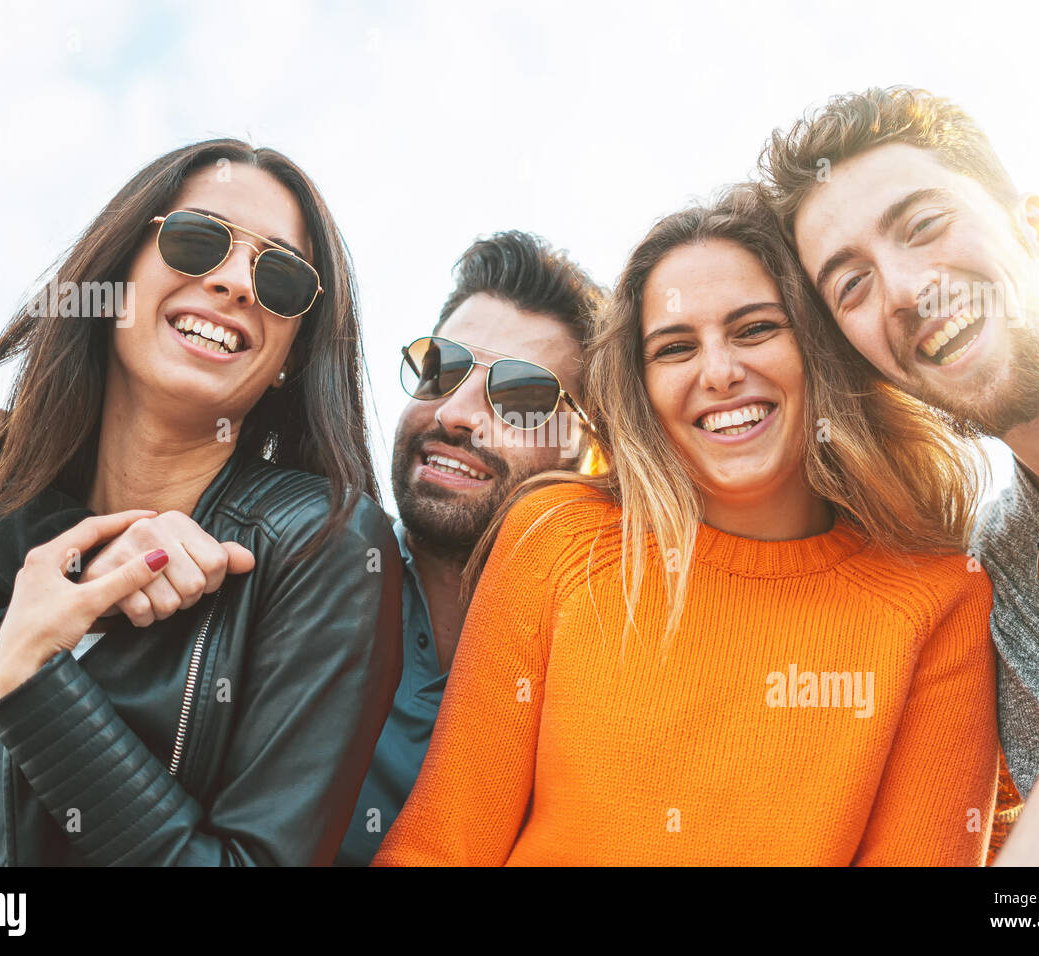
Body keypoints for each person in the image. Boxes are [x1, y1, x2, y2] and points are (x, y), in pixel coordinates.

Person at [0, 230, 603, 866]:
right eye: (440, 369)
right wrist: (96, 557)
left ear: (590, 451)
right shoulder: (291, 559)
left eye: (523, 399)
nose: (456, 413)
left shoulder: (594, 670)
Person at [373, 184, 999, 866]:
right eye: (674, 348)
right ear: (639, 391)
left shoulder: (940, 601)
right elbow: (441, 845)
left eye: (756, 328)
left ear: (820, 346)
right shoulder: (556, 536)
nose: (720, 373)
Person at [0, 138, 403, 866]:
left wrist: (34, 682)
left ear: (290, 358)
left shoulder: (324, 549)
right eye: (197, 240)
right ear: (115, 274)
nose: (237, 284)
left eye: (280, 278)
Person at [760, 86, 1039, 865]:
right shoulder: (993, 555)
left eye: (923, 225)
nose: (910, 293)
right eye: (852, 284)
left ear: (1036, 228)